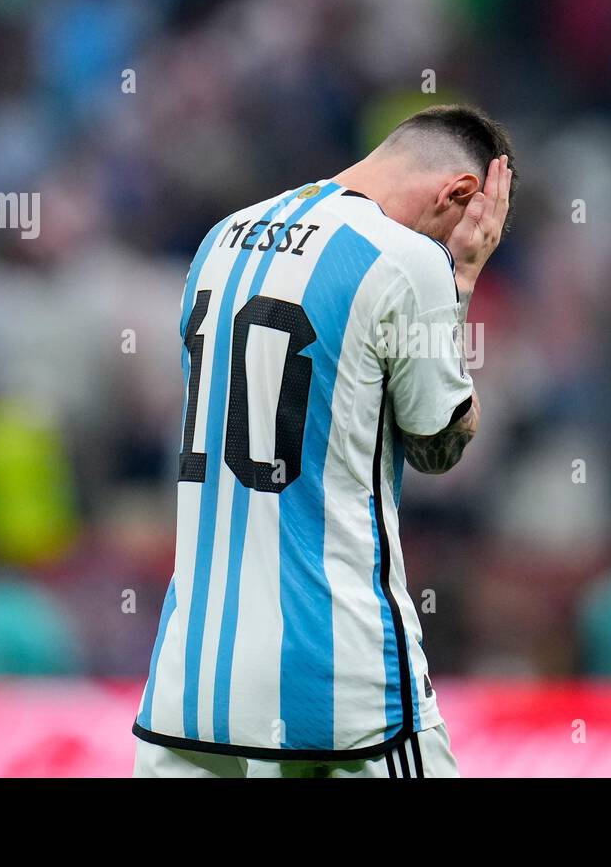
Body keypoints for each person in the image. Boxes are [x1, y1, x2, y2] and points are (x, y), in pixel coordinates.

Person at [133, 105, 516, 777]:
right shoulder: (407, 260)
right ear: (459, 194)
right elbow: (439, 447)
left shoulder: (222, 238)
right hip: (338, 685)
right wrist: (460, 279)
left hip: (191, 685)